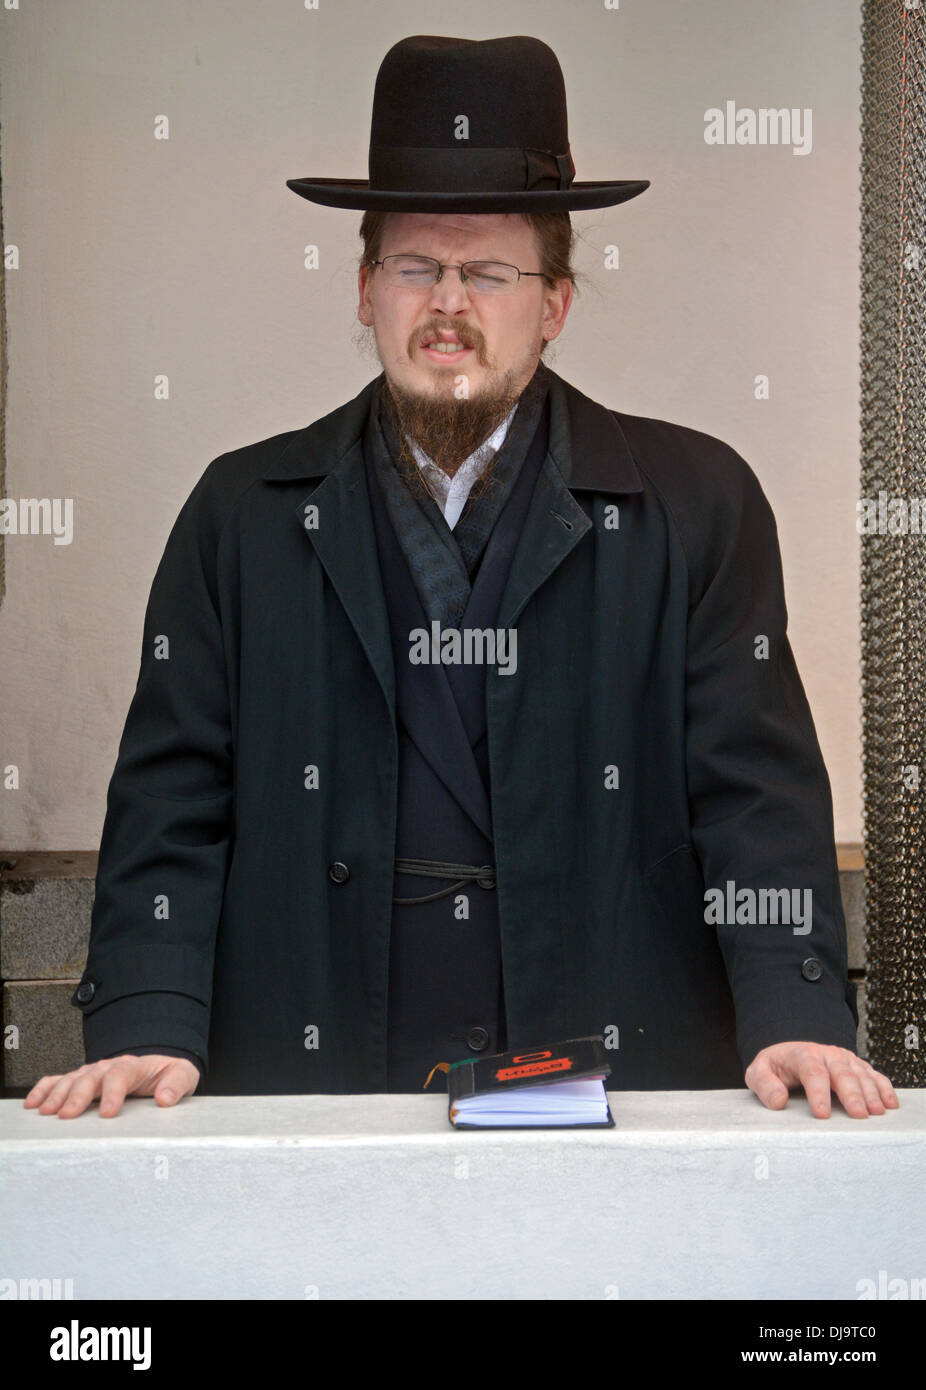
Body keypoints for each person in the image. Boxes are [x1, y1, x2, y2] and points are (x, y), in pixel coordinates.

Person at [26, 34, 896, 1122]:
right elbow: (173, 800)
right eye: (413, 267)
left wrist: (792, 1008)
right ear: (362, 290)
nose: (448, 303)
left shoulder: (694, 502)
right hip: (313, 1075)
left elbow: (750, 796)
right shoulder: (238, 514)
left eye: (488, 271)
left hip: (617, 1073)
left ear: (554, 302)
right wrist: (148, 1017)